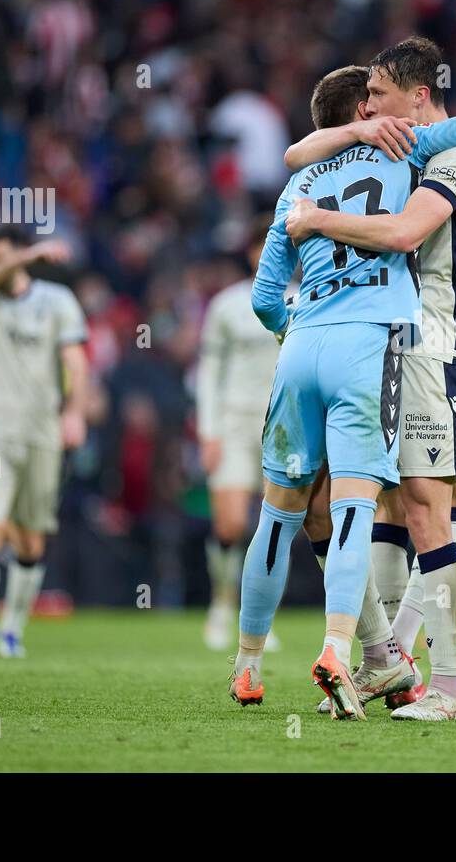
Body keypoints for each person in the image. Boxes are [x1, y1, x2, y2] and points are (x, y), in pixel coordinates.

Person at [233, 60, 456, 720]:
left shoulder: (441, 157)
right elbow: (325, 169)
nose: (383, 114)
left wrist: (315, 218)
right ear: (362, 115)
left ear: (415, 97)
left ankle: (441, 685)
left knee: (408, 510)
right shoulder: (399, 150)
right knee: (350, 510)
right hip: (376, 343)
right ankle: (374, 657)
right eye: (373, 105)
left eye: (389, 98)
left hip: (418, 346)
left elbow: (394, 236)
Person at [0, 226, 90, 658]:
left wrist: (74, 411)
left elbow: (75, 360)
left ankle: (12, 628)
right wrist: (29, 254)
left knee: (32, 540)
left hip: (41, 434)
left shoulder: (57, 302)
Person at [194, 233, 281, 652]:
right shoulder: (227, 304)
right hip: (232, 421)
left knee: (274, 524)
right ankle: (220, 606)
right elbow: (209, 372)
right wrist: (208, 430)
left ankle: (259, 616)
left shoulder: (307, 297)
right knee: (229, 524)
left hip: (282, 424)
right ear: (251, 253)